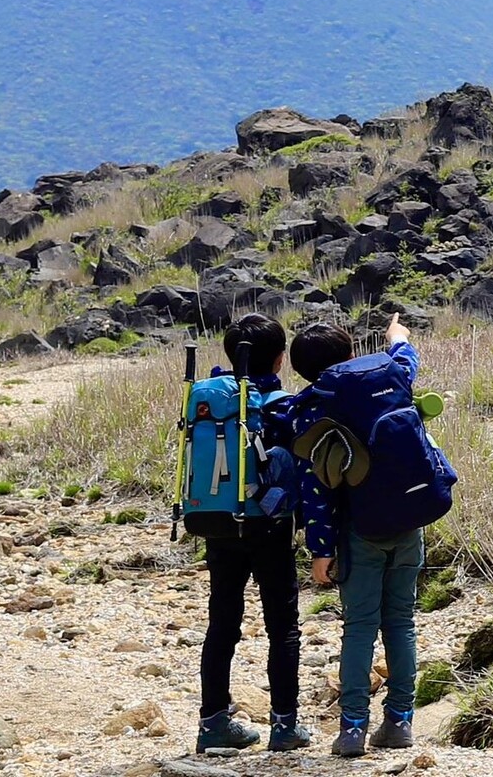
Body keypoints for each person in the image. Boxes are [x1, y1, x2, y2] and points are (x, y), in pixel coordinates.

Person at [289, 315, 423, 758]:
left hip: (356, 529)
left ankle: (352, 730)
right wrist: (396, 337)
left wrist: (320, 550)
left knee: (359, 628)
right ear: (350, 354)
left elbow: (315, 486)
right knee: (401, 621)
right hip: (408, 518)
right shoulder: (390, 374)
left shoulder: (314, 403)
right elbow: (406, 357)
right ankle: (400, 721)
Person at [195, 313, 312, 754]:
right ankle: (285, 725)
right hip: (269, 524)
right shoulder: (280, 403)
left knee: (221, 623)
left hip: (218, 521)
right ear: (281, 359)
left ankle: (212, 723)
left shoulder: (215, 397)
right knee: (283, 626)